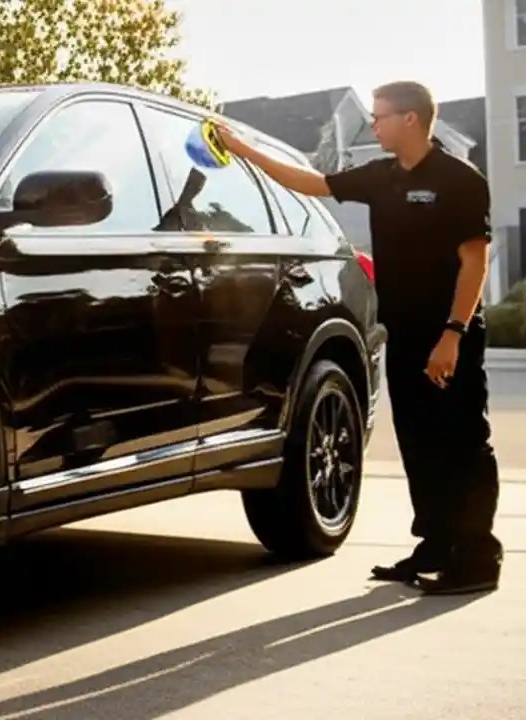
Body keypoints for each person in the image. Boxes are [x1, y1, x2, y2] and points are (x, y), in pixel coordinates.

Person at [215, 81, 503, 595]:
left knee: (461, 442)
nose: (374, 124)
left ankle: (478, 557)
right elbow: (309, 183)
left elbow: (473, 260)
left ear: (411, 119)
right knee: (417, 440)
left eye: (381, 116)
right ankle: (435, 543)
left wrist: (453, 334)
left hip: (449, 334)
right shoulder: (380, 176)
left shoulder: (460, 180)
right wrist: (241, 150)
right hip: (406, 333)